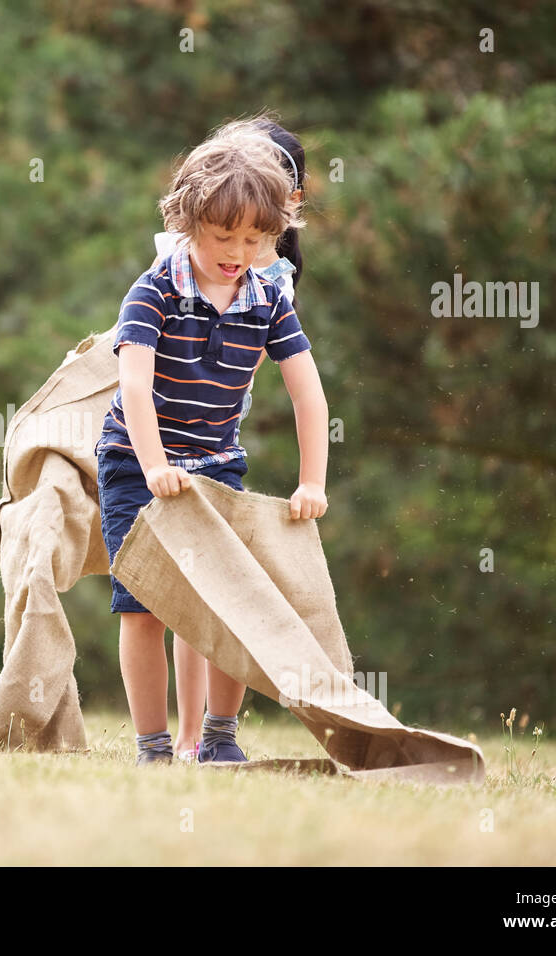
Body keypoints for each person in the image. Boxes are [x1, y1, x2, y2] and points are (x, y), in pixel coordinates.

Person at [95, 119, 329, 767]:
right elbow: (134, 390)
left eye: (255, 238)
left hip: (218, 460)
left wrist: (312, 482)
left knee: (231, 602)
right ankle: (153, 747)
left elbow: (308, 394)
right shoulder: (154, 292)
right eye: (223, 235)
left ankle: (220, 737)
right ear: (187, 221)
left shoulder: (268, 298)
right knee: (143, 606)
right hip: (134, 463)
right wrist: (153, 467)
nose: (238, 250)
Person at [152, 117, 309, 762]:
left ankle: (211, 734)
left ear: (288, 202)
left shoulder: (274, 274)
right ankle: (185, 732)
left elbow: (295, 374)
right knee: (178, 590)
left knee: (213, 589)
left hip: (218, 435)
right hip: (154, 420)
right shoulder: (184, 250)